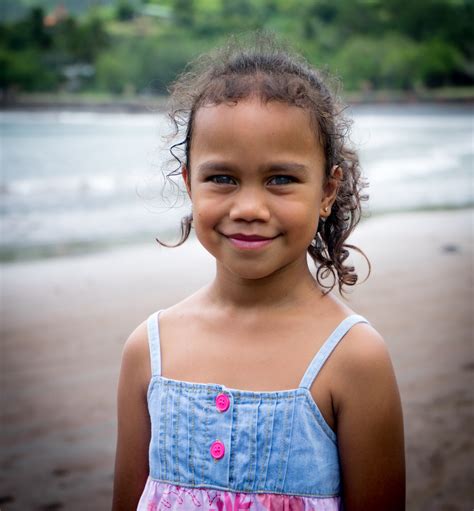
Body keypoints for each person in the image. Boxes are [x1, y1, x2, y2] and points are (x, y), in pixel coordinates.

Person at [112, 34, 405, 511]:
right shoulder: (148, 351)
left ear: (328, 190)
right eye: (222, 178)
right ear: (189, 182)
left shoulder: (355, 359)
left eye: (281, 179)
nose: (249, 207)